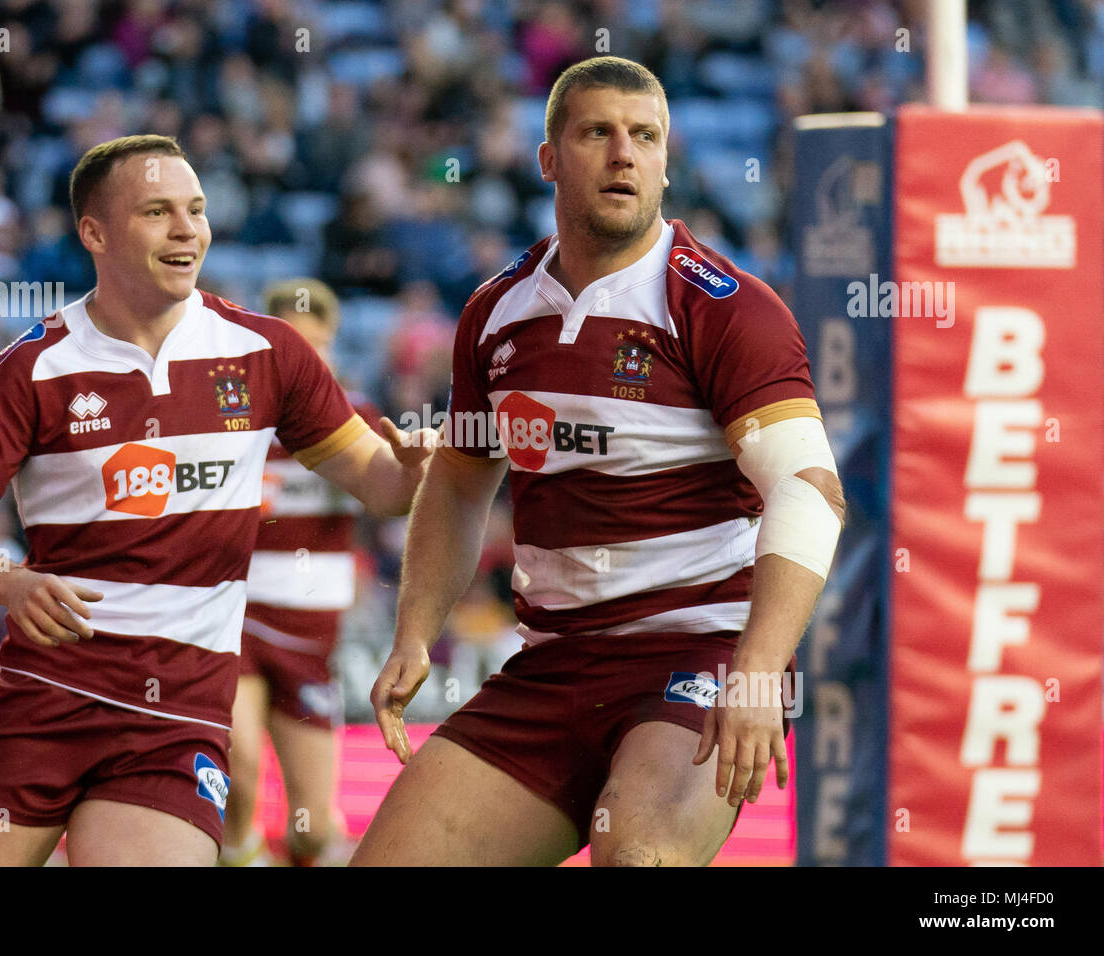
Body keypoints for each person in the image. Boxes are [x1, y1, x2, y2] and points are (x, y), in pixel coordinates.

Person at [351, 57, 845, 867]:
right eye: (598, 132)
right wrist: (414, 631)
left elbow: (810, 491)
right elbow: (462, 476)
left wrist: (758, 669)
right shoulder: (493, 313)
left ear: (665, 160)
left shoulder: (726, 309)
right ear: (548, 158)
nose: (625, 153)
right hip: (552, 666)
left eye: (645, 136)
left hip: (701, 652)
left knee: (639, 852)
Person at [0, 134, 434, 866]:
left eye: (196, 209)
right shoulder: (30, 369)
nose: (188, 230)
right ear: (94, 233)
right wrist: (10, 581)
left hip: (177, 716)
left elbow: (381, 485)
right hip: (41, 698)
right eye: (158, 212)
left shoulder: (268, 352)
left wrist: (415, 473)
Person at [220, 278, 375, 867]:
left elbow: (398, 494)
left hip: (311, 637)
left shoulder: (356, 420)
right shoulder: (238, 421)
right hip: (239, 620)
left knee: (312, 830)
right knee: (239, 767)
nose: (310, 355)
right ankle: (237, 852)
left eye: (321, 342)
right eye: (295, 341)